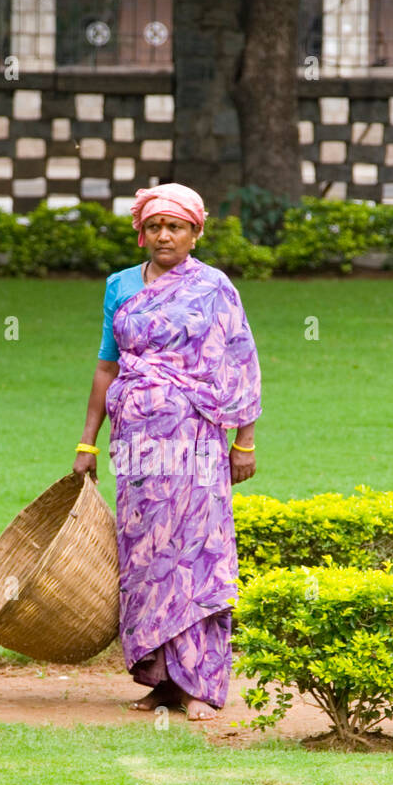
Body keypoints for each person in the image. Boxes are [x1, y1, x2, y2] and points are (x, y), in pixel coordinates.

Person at [73, 182, 261, 722]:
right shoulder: (121, 286)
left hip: (197, 439)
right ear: (140, 234)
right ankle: (160, 681)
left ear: (194, 233)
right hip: (135, 445)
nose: (163, 235)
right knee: (145, 553)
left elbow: (240, 361)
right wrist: (88, 440)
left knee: (197, 551)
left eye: (174, 226)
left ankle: (201, 682)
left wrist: (243, 441)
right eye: (153, 226)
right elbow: (107, 367)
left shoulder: (214, 288)